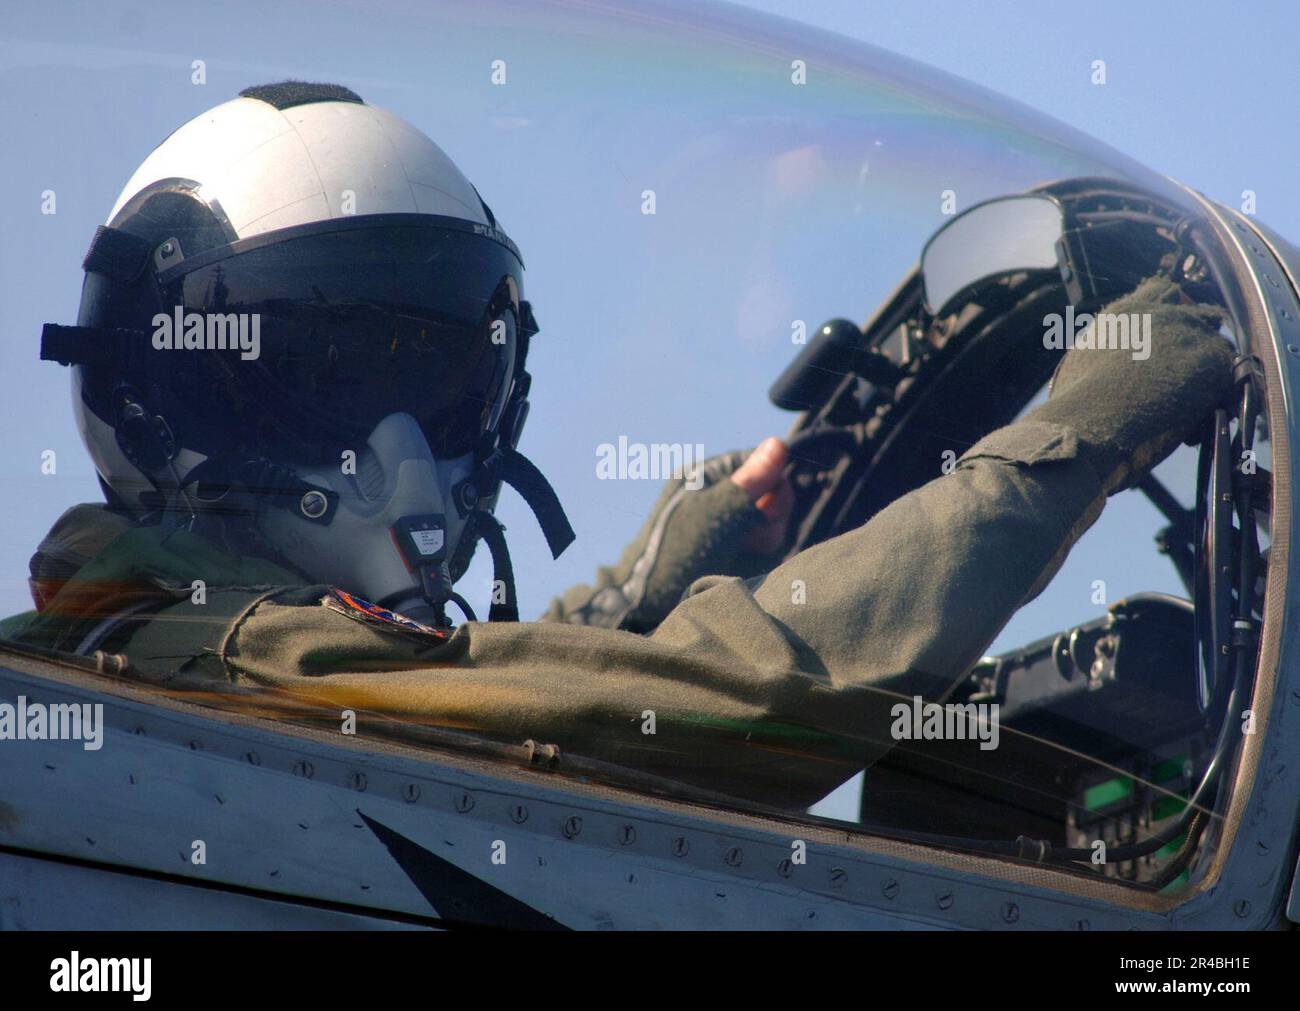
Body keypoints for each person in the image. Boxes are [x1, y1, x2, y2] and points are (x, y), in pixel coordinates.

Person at [4, 83, 1235, 811]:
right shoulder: (217, 657)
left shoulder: (155, 643)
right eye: (328, 378)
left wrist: (657, 574)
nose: (400, 450)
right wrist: (1068, 443)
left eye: (436, 379)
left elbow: (492, 696)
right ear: (166, 396)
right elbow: (713, 708)